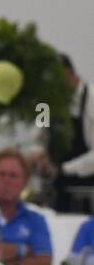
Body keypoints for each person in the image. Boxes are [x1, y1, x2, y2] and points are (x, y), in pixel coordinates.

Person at [47, 55, 94, 212]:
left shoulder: (91, 99)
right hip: (56, 189)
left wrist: (65, 168)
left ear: (67, 72)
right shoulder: (44, 102)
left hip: (87, 190)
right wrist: (37, 153)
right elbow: (37, 134)